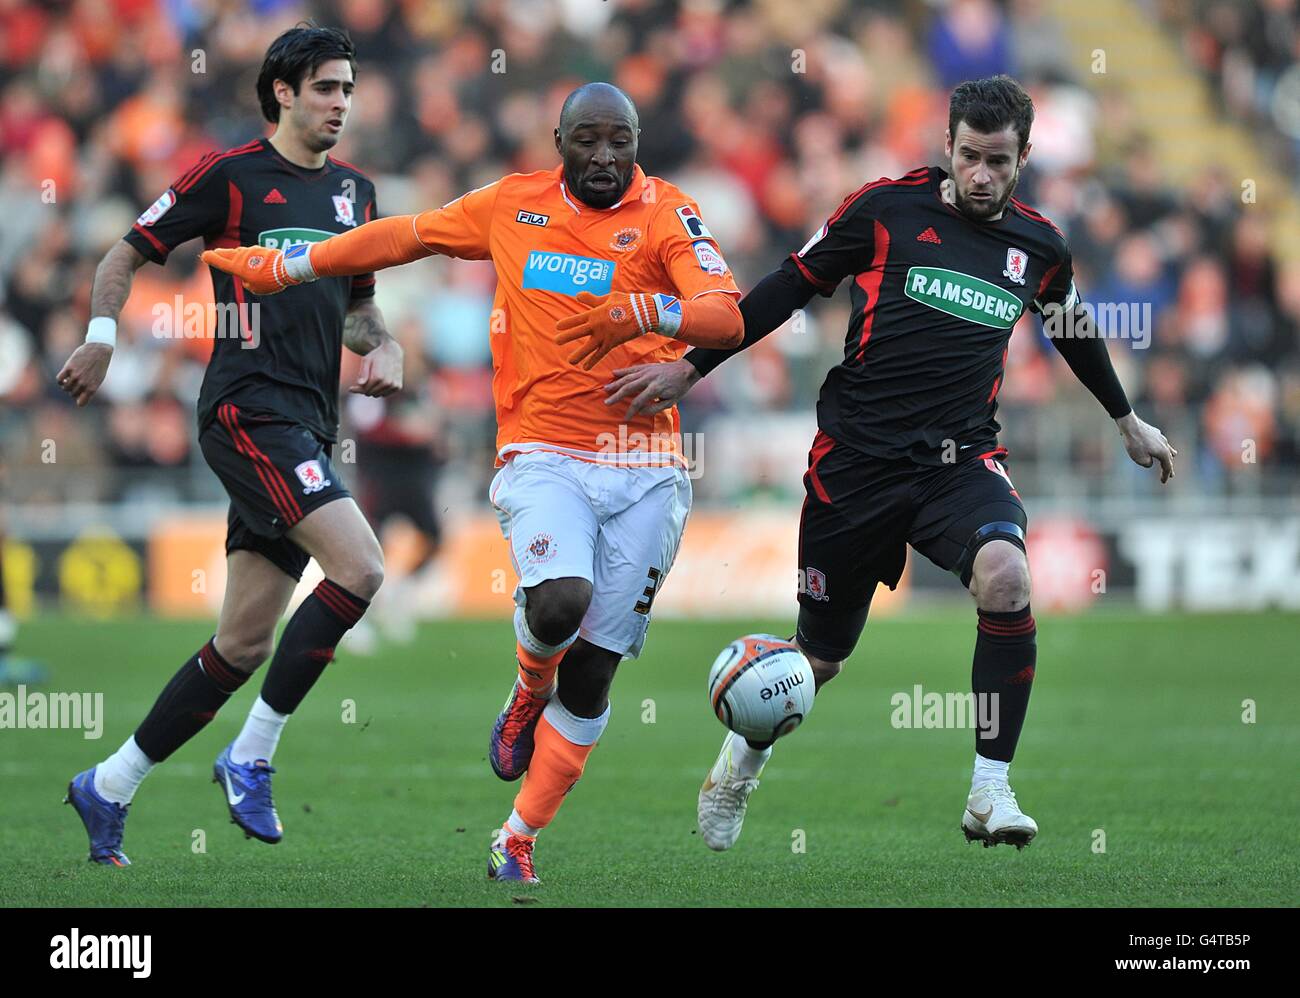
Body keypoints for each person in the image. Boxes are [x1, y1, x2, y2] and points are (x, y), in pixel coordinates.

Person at [604, 75, 1176, 852]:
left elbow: (1070, 326)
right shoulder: (881, 211)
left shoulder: (1040, 247)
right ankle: (742, 759)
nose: (982, 175)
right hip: (858, 465)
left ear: (1025, 157)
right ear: (946, 146)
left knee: (1006, 576)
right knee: (819, 661)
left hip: (962, 462)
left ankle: (990, 790)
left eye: (998, 161)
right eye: (969, 156)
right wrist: (691, 367)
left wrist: (1126, 419)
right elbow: (784, 289)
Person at [203, 82, 744, 883]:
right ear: (557, 139)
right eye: (587, 141)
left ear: (637, 143)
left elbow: (724, 317)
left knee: (593, 674)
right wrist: (292, 265)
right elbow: (401, 237)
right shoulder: (511, 205)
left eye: (619, 142)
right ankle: (528, 687)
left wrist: (641, 314)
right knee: (557, 601)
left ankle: (517, 838)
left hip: (648, 467)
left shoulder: (667, 212)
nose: (604, 158)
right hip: (544, 451)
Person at [56, 25, 402, 866]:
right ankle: (251, 755)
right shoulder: (230, 175)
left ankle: (108, 785)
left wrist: (381, 343)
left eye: (349, 90)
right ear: (283, 91)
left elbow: (358, 304)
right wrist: (103, 334)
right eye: (326, 88)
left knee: (242, 643)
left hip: (311, 421)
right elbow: (123, 251)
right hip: (248, 412)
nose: (341, 104)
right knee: (360, 568)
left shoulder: (356, 193)